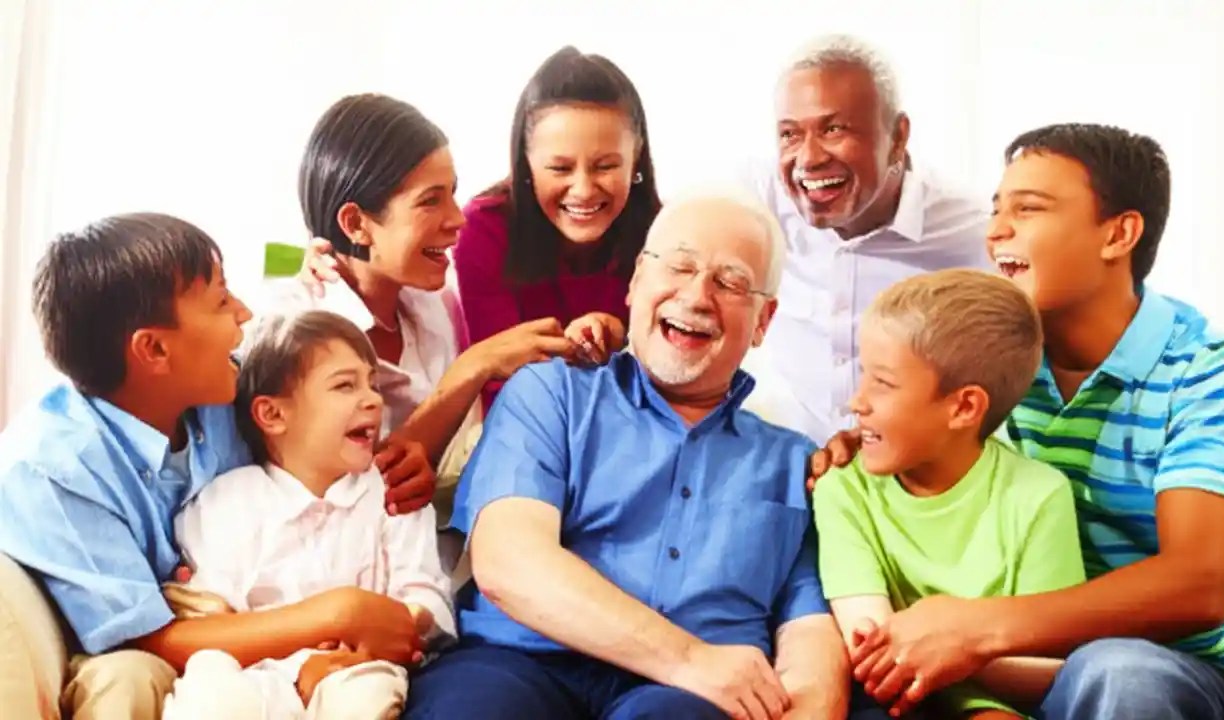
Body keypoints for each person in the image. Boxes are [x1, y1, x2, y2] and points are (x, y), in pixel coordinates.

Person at [816, 124, 1224, 720]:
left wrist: (976, 630)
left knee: (1119, 672)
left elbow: (1198, 585)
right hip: (994, 674)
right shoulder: (984, 367)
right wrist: (877, 435)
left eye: (1028, 209)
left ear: (1119, 233)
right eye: (996, 209)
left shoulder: (1214, 373)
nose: (995, 231)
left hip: (1155, 678)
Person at [404, 187, 885, 720]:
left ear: (764, 322)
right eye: (679, 267)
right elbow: (510, 563)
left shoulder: (797, 463)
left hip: (689, 702)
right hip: (521, 662)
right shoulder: (551, 394)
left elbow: (810, 635)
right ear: (635, 282)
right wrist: (688, 659)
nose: (697, 296)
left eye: (730, 282)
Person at [0, 214, 434, 719]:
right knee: (127, 681)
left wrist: (404, 455)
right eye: (222, 301)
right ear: (154, 349)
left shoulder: (226, 396)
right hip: (146, 648)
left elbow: (325, 431)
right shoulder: (50, 471)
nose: (245, 314)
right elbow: (151, 640)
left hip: (259, 631)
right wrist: (334, 615)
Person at [277, 93, 579, 536]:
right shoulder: (298, 334)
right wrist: (471, 369)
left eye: (452, 194)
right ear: (356, 224)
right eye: (430, 201)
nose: (458, 219)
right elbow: (355, 488)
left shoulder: (430, 302)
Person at [813, 269, 1084, 719]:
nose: (856, 402)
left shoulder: (1038, 495)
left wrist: (960, 650)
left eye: (882, 383)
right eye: (864, 376)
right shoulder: (844, 487)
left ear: (963, 407)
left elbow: (1051, 668)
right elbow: (872, 648)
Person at [163, 310, 455, 719]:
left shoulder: (393, 491)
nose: (372, 398)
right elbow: (213, 614)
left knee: (366, 693)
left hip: (356, 666)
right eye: (345, 385)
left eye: (372, 383)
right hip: (256, 671)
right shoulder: (224, 503)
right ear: (273, 415)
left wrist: (368, 643)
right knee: (210, 683)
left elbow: (426, 596)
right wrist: (299, 659)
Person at [740, 33, 991, 444]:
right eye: (789, 134)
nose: (808, 158)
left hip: (907, 481)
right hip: (791, 465)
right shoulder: (755, 197)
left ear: (898, 137)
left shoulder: (974, 231)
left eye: (834, 129)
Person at [453, 45, 661, 409]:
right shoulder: (484, 230)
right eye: (560, 169)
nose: (582, 189)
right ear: (527, 163)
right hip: (527, 429)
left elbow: (675, 382)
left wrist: (621, 335)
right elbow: (502, 386)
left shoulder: (663, 235)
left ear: (637, 156)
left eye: (605, 166)